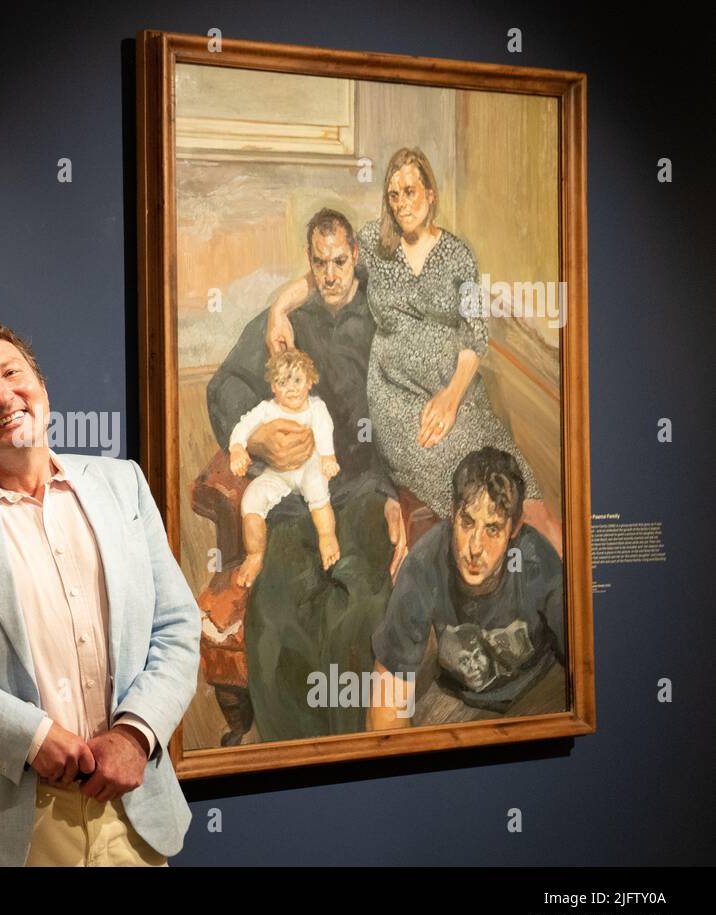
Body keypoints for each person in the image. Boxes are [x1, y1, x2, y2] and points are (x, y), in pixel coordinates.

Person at [0, 319, 200, 866]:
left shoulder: (124, 486)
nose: (1, 394)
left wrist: (137, 735)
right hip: (4, 822)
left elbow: (177, 626)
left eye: (11, 372)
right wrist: (30, 736)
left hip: (131, 808)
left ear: (41, 388)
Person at [266, 149, 559, 547]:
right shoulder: (374, 244)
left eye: (410, 192)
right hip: (395, 397)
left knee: (514, 476)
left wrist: (452, 398)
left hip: (455, 391)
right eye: (393, 195)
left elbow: (475, 333)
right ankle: (489, 562)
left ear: (431, 193)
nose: (402, 204)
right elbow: (322, 273)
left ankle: (559, 580)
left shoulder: (459, 255)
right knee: (458, 469)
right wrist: (279, 309)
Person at [206, 209, 408, 742]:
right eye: (320, 264)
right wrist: (255, 439)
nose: (331, 275)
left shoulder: (382, 315)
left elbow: (404, 413)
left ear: (356, 257)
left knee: (362, 602)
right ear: (309, 265)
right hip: (293, 495)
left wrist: (391, 495)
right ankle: (293, 756)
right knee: (277, 613)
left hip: (361, 485)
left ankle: (350, 748)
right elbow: (224, 386)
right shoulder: (286, 325)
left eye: (340, 261)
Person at [366, 447, 566, 729]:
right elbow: (387, 704)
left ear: (514, 528)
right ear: (452, 514)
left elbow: (584, 666)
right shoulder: (424, 564)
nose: (475, 547)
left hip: (540, 688)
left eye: (493, 529)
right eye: (467, 522)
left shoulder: (537, 561)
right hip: (461, 701)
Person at [229, 347, 341, 584]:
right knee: (251, 498)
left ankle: (327, 536)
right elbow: (243, 425)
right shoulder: (267, 409)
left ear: (310, 382)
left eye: (298, 380)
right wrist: (237, 448)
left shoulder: (316, 408)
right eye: (282, 382)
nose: (291, 388)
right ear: (273, 386)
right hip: (278, 473)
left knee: (317, 487)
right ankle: (255, 554)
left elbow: (324, 430)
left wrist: (328, 457)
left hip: (308, 466)